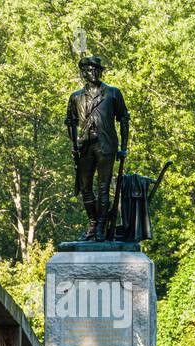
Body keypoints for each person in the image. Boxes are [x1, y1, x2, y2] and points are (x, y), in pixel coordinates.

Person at [66, 55, 130, 240]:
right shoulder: (76, 97)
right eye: (88, 70)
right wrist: (74, 145)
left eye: (95, 69)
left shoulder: (112, 93)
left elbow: (123, 119)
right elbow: (70, 122)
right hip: (85, 147)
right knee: (85, 187)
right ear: (83, 73)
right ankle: (93, 223)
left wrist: (123, 147)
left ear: (100, 71)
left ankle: (101, 225)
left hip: (106, 146)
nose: (92, 72)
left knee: (103, 187)